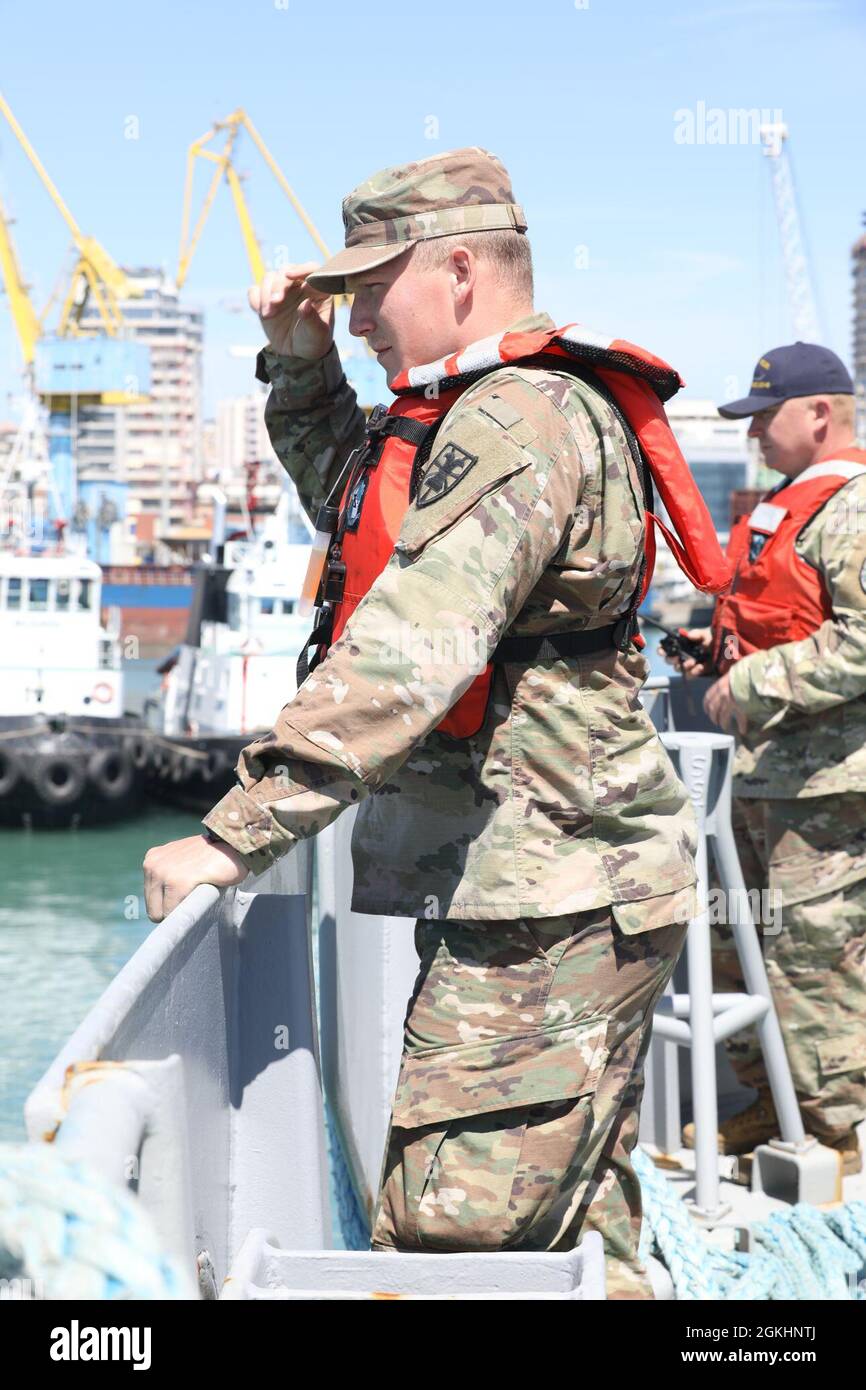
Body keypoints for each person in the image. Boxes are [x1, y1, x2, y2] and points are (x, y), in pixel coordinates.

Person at [143, 147, 730, 1297]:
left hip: (547, 900)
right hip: (545, 890)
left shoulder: (516, 418)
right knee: (571, 1233)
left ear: (458, 270)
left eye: (372, 288)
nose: (355, 314)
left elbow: (412, 641)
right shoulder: (488, 407)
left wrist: (233, 832)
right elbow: (365, 509)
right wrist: (303, 369)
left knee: (446, 1249)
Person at [667, 343, 866, 1175]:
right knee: (735, 943)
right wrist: (718, 660)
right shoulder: (797, 506)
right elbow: (791, 621)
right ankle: (767, 1104)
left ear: (819, 413)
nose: (752, 438)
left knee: (812, 955)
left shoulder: (854, 511)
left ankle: (832, 1136)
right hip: (761, 782)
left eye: (763, 419)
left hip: (821, 792)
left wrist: (752, 680)